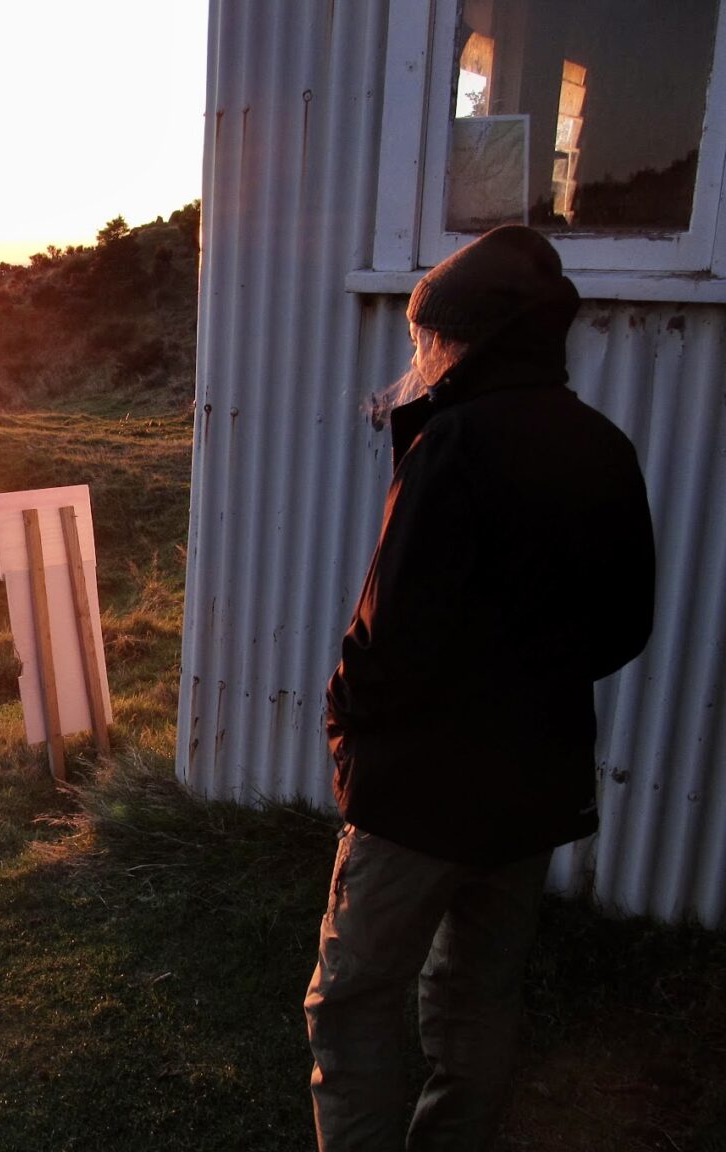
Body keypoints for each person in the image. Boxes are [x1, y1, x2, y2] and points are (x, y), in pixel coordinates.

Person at [306, 225, 655, 1151]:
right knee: (475, 998)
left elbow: (390, 636)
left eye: (429, 336)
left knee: (353, 1000)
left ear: (469, 339)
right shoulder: (604, 446)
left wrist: (346, 724)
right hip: (534, 787)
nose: (420, 354)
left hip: (419, 795)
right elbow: (626, 627)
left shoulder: (454, 443)